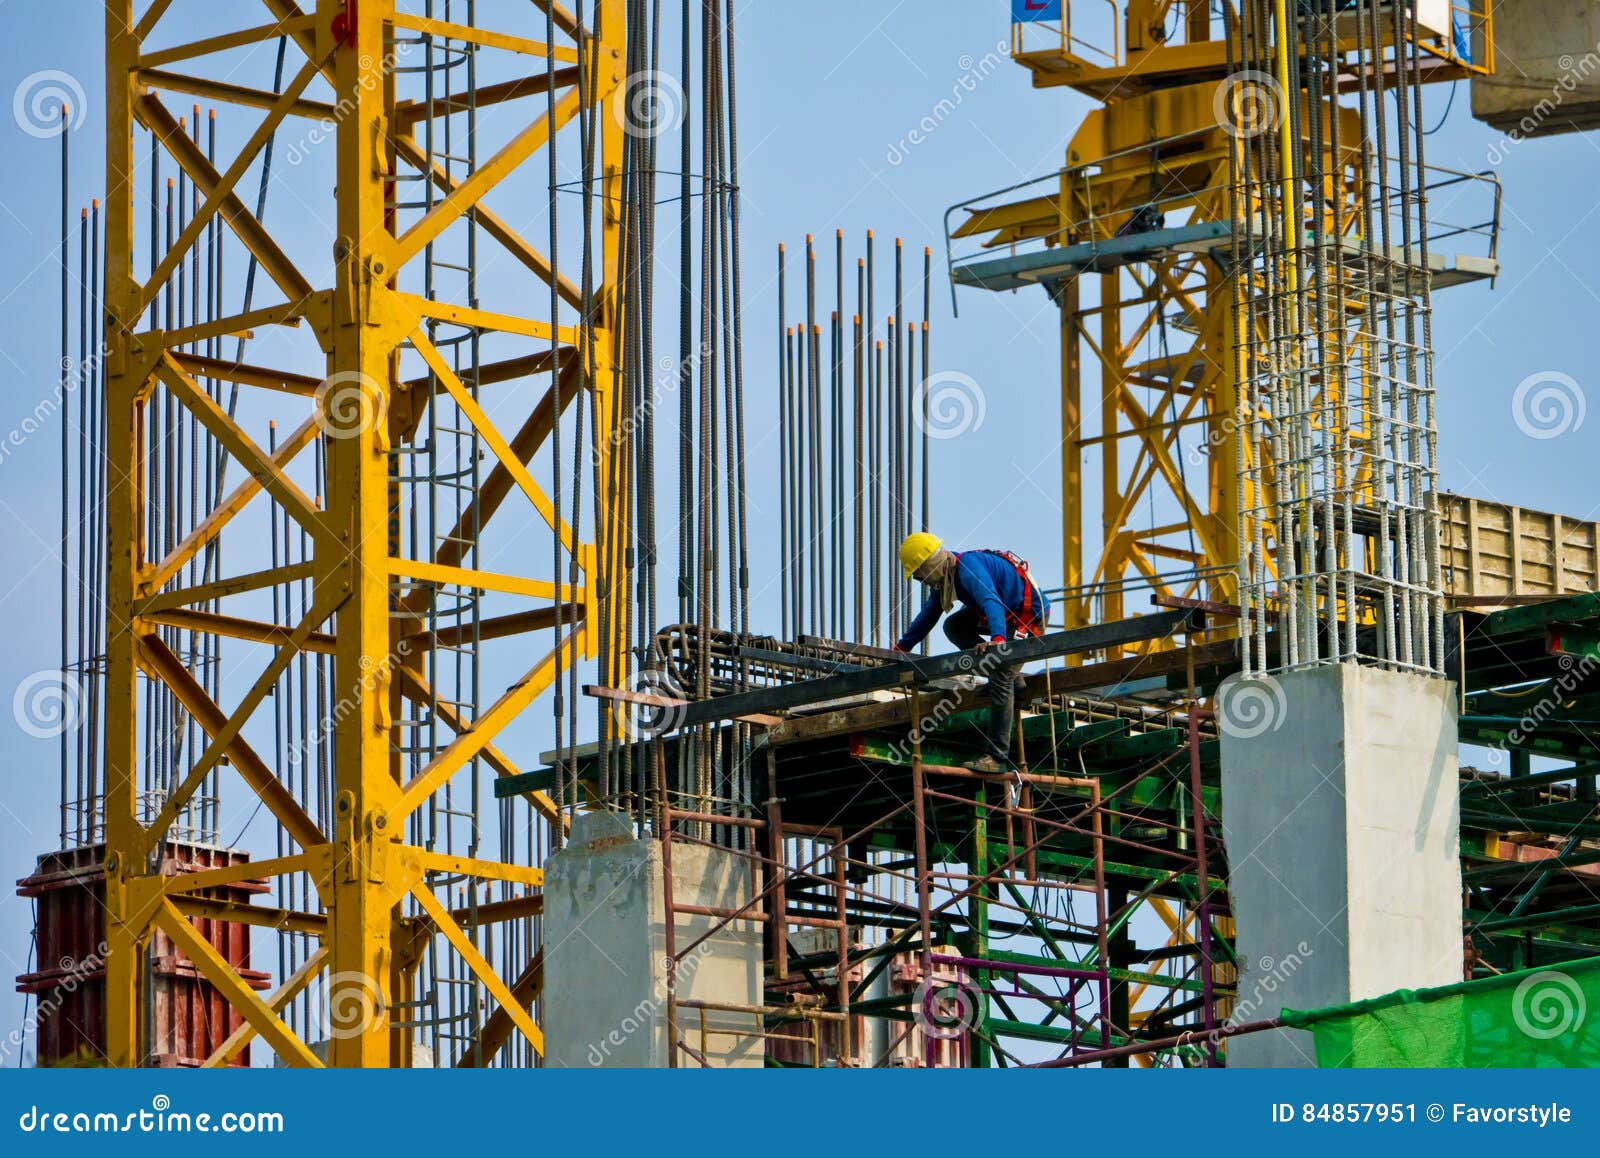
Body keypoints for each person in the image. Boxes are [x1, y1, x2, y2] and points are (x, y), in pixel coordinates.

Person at [891, 532, 1050, 773]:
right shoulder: (948, 577)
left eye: (919, 574)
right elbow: (927, 617)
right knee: (953, 626)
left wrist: (997, 639)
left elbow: (991, 601)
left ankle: (996, 757)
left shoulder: (967, 569)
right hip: (1005, 614)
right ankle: (1012, 679)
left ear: (930, 564)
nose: (920, 580)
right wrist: (902, 648)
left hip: (1026, 616)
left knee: (1000, 677)